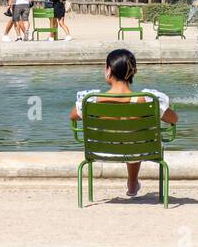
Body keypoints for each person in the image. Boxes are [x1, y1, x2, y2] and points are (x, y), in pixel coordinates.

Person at [70, 49, 178, 199]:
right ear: (133, 72)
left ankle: (130, 182)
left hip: (101, 150)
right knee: (134, 138)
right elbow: (173, 119)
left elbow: (73, 115)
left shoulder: (92, 99)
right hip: (140, 150)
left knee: (128, 137)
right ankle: (132, 182)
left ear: (108, 71)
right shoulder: (147, 99)